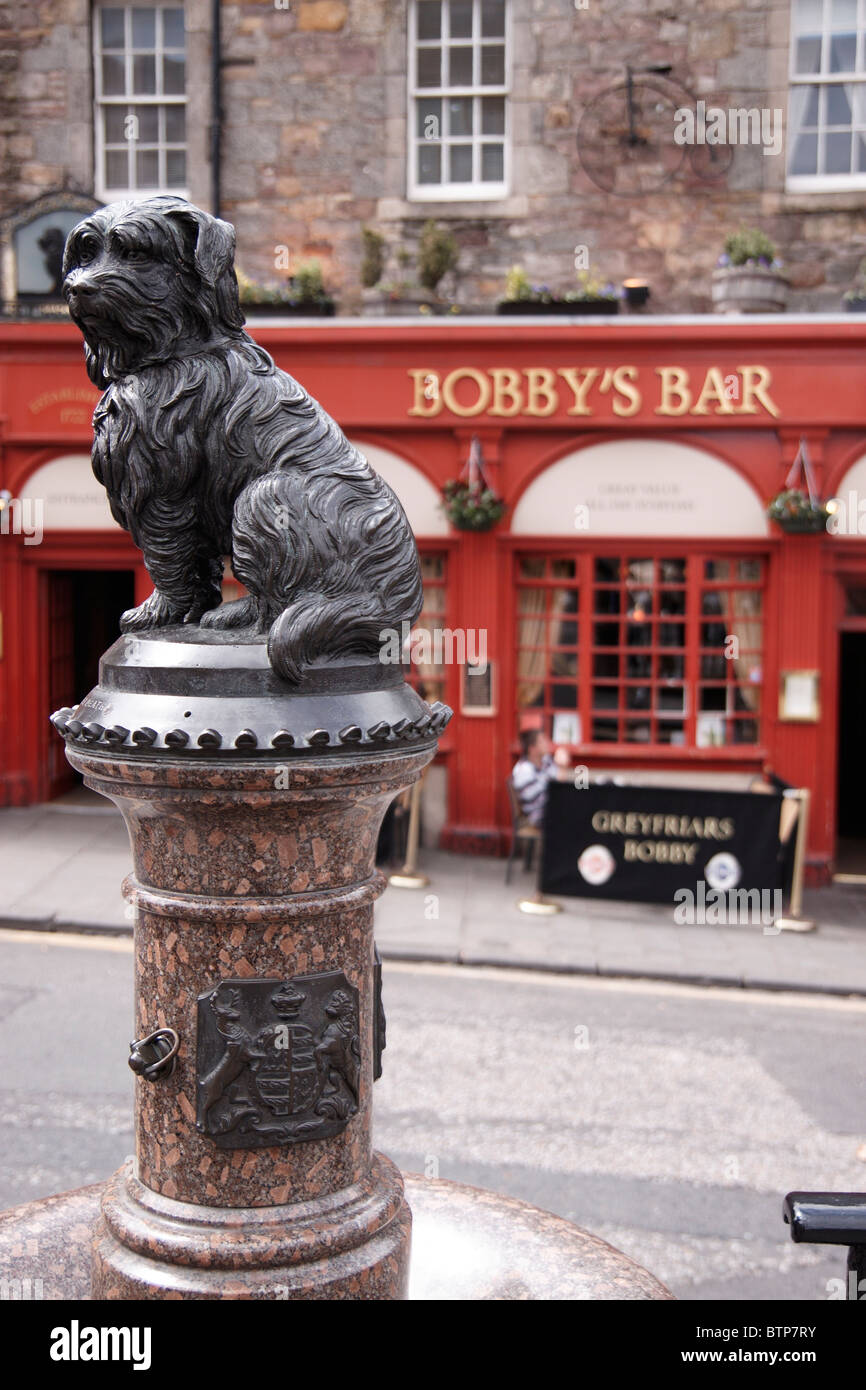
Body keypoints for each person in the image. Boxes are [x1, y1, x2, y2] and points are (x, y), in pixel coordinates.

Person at [511, 729, 572, 827]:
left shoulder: (545, 761)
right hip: (538, 817)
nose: (546, 743)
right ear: (532, 748)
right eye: (542, 741)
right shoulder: (523, 770)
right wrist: (562, 767)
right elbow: (542, 800)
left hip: (551, 811)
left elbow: (559, 785)